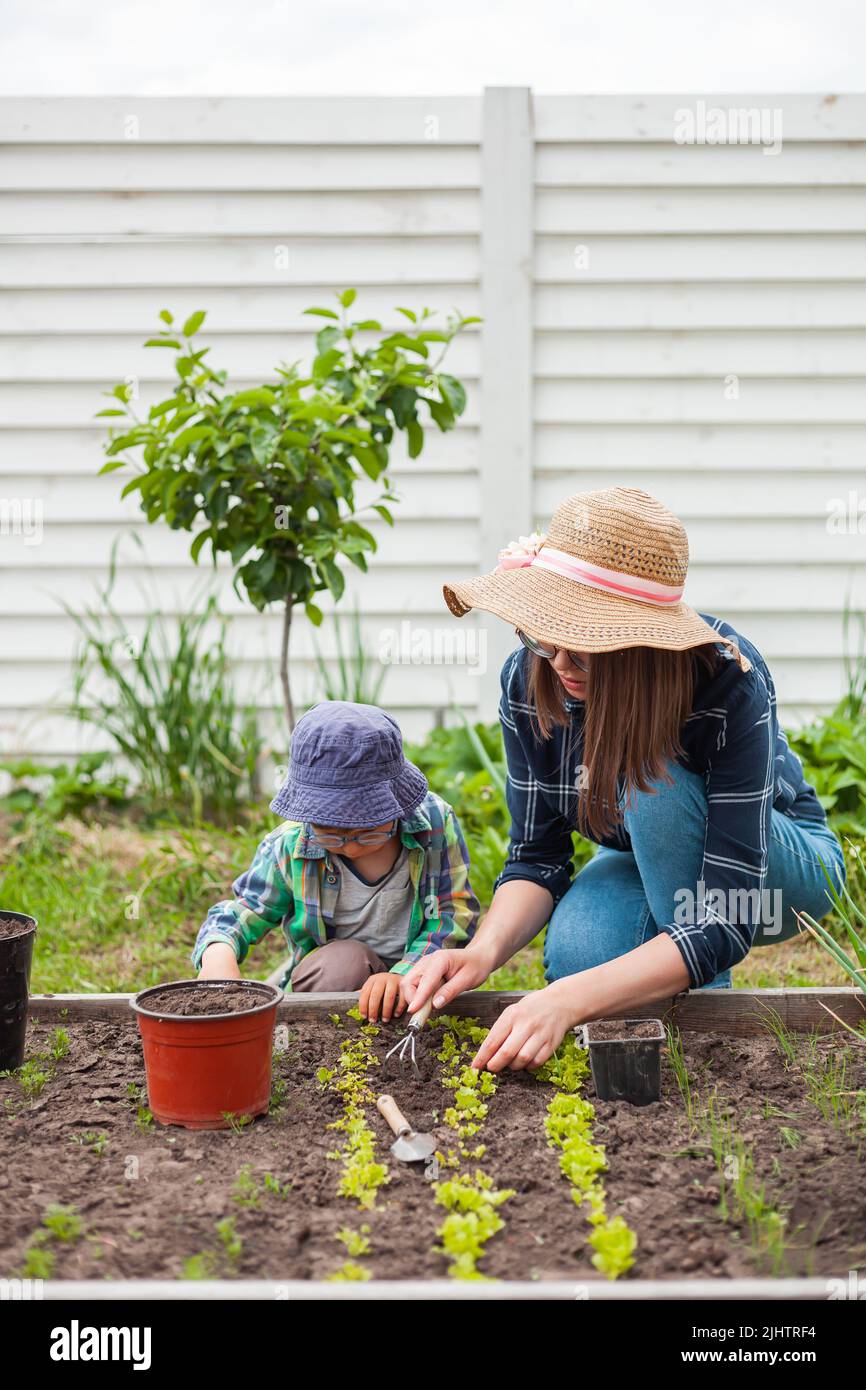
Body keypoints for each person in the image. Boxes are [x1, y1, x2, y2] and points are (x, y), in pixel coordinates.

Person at [400, 487, 845, 1072]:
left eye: (586, 644)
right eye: (544, 634)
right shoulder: (531, 680)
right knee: (581, 955)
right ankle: (671, 977)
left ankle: (711, 1029)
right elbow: (536, 859)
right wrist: (480, 955)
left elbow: (726, 914)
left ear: (641, 645)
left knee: (652, 783)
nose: (558, 661)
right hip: (644, 855)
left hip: (778, 870)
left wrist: (565, 1004)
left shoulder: (724, 680)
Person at [194, 701, 479, 1022]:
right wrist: (219, 954)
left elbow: (453, 914)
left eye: (368, 832)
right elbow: (242, 912)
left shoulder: (433, 824)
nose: (351, 846)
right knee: (346, 962)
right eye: (332, 834)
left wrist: (403, 974)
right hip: (335, 984)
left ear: (397, 804)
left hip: (418, 981)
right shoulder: (291, 845)